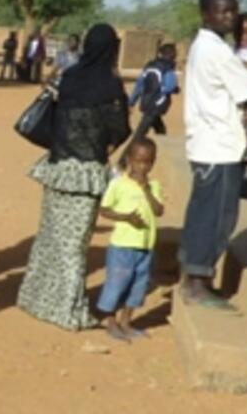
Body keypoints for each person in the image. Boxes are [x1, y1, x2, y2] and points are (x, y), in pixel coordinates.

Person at [17, 24, 131, 331]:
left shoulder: (69, 77)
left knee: (51, 237)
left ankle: (38, 299)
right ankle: (68, 309)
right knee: (75, 245)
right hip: (86, 174)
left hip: (59, 169)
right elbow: (120, 129)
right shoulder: (110, 86)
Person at [180, 0, 247, 310]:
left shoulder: (204, 47)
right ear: (206, 14)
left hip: (207, 144)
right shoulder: (217, 52)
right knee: (216, 218)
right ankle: (199, 283)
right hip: (219, 147)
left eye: (232, 12)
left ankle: (193, 277)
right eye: (222, 12)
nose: (229, 18)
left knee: (202, 212)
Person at [96, 137, 164, 342]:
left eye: (148, 162)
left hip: (145, 246)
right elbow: (104, 209)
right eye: (139, 161)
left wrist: (147, 191)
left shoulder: (154, 185)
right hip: (122, 246)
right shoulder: (119, 184)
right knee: (117, 283)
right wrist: (125, 217)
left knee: (138, 286)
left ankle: (126, 322)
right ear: (129, 159)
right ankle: (110, 321)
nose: (143, 166)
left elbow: (159, 210)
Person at [129, 43, 180, 141]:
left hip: (146, 99)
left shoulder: (149, 66)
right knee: (142, 129)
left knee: (153, 119)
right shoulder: (168, 67)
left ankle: (161, 135)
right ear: (173, 55)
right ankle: (135, 145)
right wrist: (175, 89)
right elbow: (170, 86)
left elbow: (140, 85)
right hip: (159, 101)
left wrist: (132, 101)